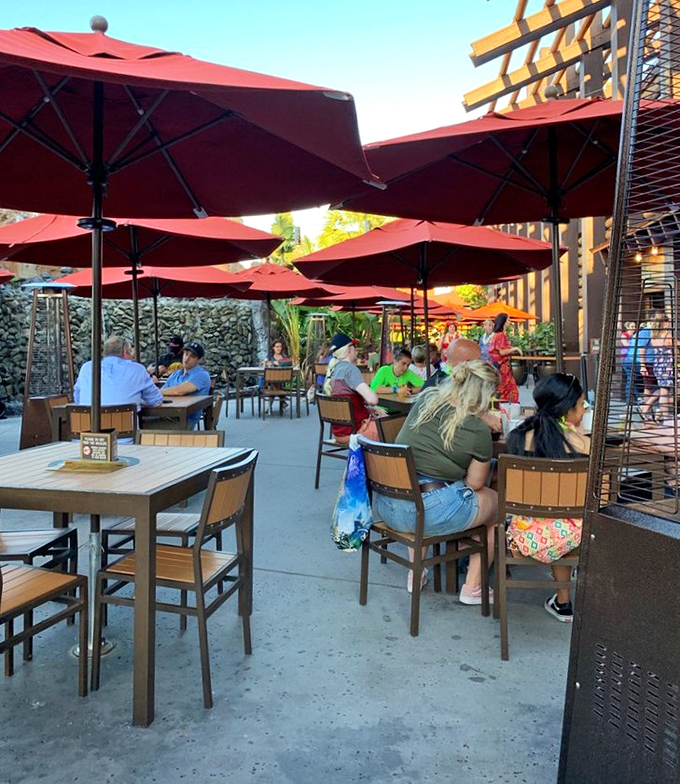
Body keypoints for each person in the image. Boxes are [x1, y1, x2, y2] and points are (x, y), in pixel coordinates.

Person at [372, 361, 499, 601]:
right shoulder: (476, 430)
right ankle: (473, 587)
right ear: (483, 395)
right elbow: (474, 484)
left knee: (418, 486)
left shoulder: (426, 400)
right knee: (496, 505)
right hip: (425, 512)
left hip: (386, 505)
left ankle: (416, 573)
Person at [505, 373, 590, 623]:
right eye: (581, 404)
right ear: (567, 408)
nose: (584, 410)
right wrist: (579, 434)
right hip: (573, 536)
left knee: (554, 516)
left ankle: (563, 602)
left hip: (526, 536)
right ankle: (563, 601)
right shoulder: (582, 445)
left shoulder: (518, 437)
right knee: (568, 517)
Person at [74, 335, 163, 411]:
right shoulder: (137, 369)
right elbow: (156, 400)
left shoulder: (87, 368)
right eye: (131, 353)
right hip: (125, 429)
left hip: (88, 428)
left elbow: (77, 399)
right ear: (125, 353)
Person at [323, 333, 384, 443]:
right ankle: (378, 460)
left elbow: (348, 405)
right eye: (354, 347)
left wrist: (369, 409)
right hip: (356, 432)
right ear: (349, 349)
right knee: (392, 426)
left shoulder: (333, 371)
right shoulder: (350, 370)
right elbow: (373, 399)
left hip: (339, 434)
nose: (356, 350)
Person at [162, 341, 211, 428]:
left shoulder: (201, 375)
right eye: (186, 354)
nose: (187, 358)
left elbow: (178, 391)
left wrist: (154, 392)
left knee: (140, 425)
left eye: (192, 356)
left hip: (184, 422)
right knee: (139, 420)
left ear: (199, 360)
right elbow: (162, 392)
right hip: (167, 415)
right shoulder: (175, 374)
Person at [641, 313, 675, 422]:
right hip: (667, 366)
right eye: (668, 321)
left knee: (663, 388)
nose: (670, 323)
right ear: (664, 322)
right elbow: (674, 346)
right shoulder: (667, 335)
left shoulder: (654, 336)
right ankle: (666, 418)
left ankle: (654, 410)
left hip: (659, 366)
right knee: (664, 391)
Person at [488, 313, 521, 403]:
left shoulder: (498, 335)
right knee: (508, 390)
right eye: (508, 320)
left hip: (501, 366)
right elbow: (502, 352)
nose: (510, 322)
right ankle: (506, 410)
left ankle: (503, 409)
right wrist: (515, 348)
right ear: (504, 322)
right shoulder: (500, 335)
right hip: (502, 367)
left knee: (504, 390)